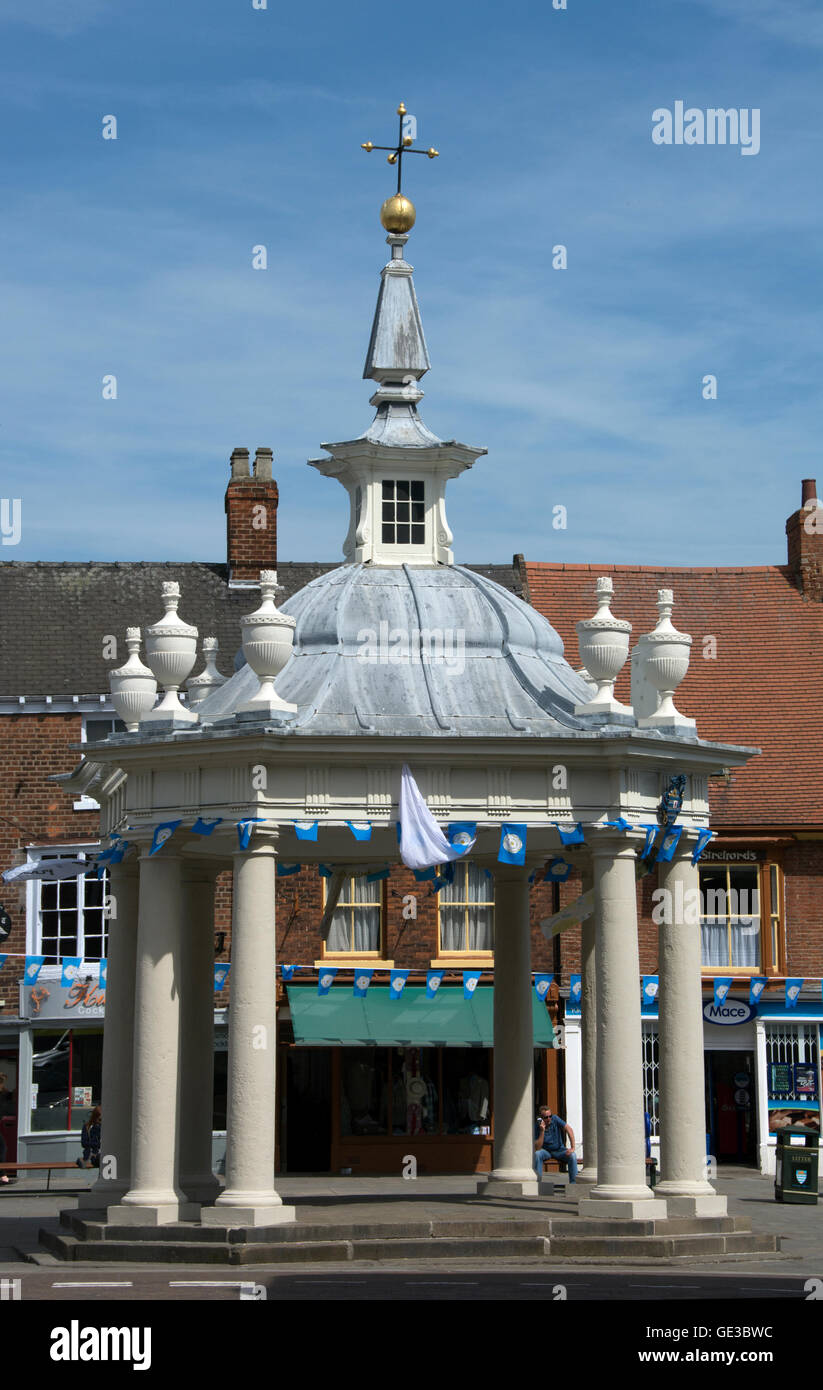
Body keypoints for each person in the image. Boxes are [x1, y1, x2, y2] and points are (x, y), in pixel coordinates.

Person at [534, 1103, 578, 1182]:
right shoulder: (537, 1126)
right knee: (537, 1154)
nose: (549, 1119)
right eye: (546, 1117)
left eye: (550, 1116)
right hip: (545, 1151)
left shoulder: (555, 1119)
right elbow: (538, 1148)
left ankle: (573, 1184)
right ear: (541, 1118)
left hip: (559, 1150)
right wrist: (542, 1131)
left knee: (573, 1155)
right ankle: (538, 1183)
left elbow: (569, 1129)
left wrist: (573, 1147)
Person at [0, 1072, 15, 1184]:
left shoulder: (4, 1093)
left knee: (2, 1147)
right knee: (2, 1147)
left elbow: (12, 1095)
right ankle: (3, 1176)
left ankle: (2, 1176)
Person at [76, 1105, 101, 1169]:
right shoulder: (88, 1127)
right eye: (99, 1119)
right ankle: (84, 1161)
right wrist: (97, 1144)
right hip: (92, 1154)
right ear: (95, 1117)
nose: (100, 1122)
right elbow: (84, 1143)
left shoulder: (103, 1127)